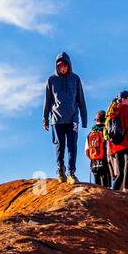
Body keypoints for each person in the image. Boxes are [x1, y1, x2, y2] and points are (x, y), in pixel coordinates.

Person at [42, 52, 88, 183]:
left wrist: (84, 120)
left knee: (72, 145)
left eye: (64, 65)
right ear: (57, 66)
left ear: (69, 65)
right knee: (60, 145)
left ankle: (71, 173)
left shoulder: (75, 79)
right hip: (57, 119)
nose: (62, 68)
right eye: (60, 66)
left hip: (73, 118)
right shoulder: (51, 80)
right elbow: (48, 101)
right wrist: (45, 119)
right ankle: (60, 169)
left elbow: (81, 100)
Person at [85, 109, 111, 186]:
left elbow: (87, 151)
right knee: (107, 188)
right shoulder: (107, 131)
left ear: (96, 120)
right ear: (106, 120)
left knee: (97, 187)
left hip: (94, 163)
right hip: (105, 162)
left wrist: (94, 157)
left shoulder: (90, 134)